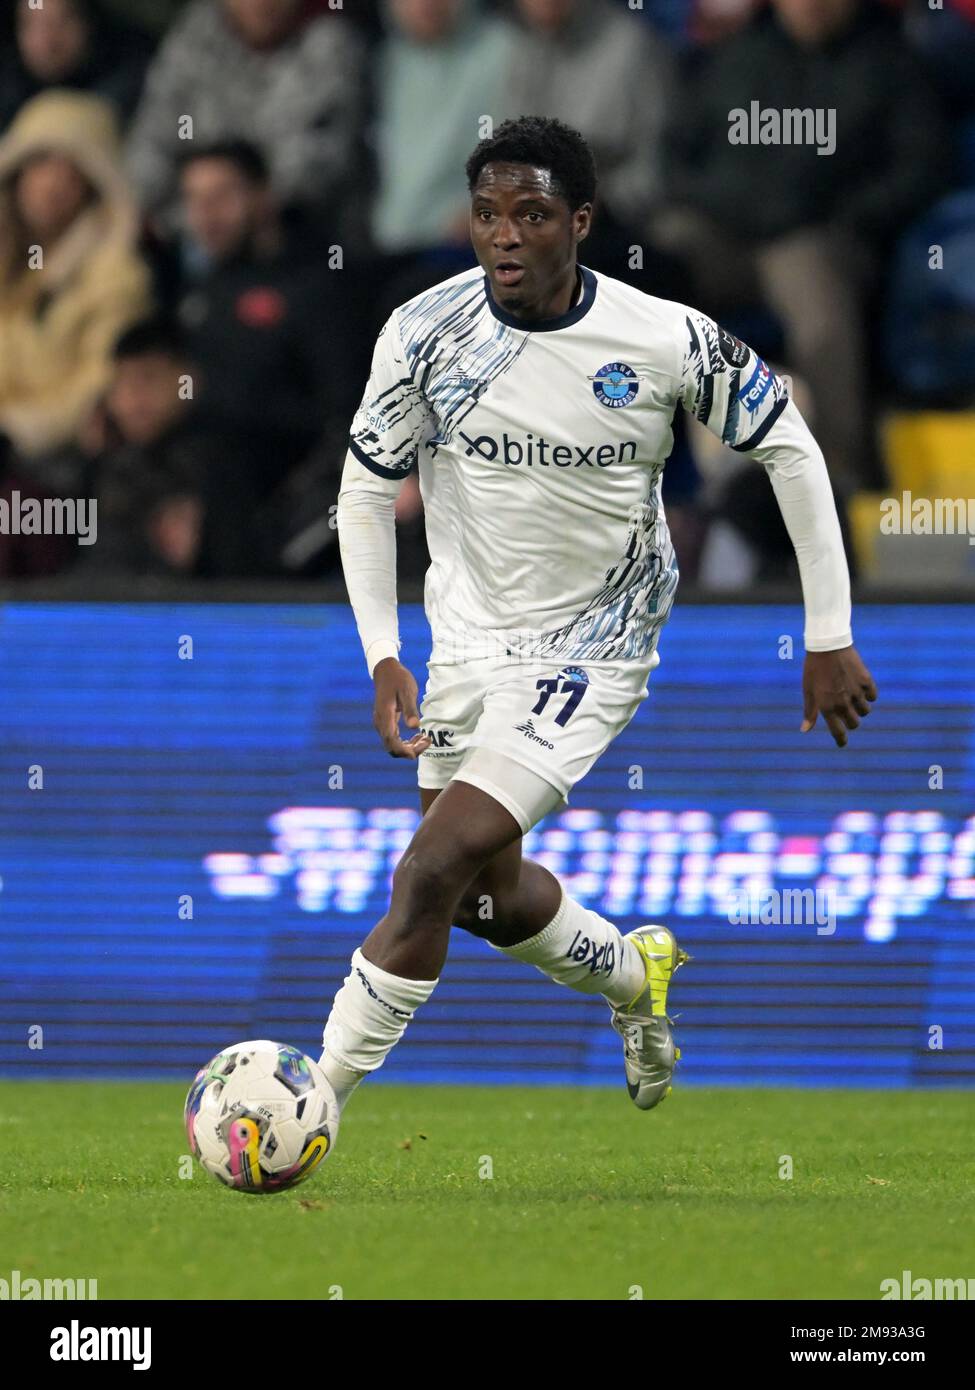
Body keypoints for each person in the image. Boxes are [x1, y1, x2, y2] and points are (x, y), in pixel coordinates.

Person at [320, 116, 877, 1120]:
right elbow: (365, 491)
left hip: (596, 644)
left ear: (579, 222)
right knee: (487, 900)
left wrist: (827, 631)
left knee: (432, 865)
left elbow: (792, 447)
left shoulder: (664, 338)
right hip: (466, 640)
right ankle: (631, 975)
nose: (504, 236)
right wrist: (382, 653)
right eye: (488, 214)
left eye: (531, 215)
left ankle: (311, 1100)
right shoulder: (423, 332)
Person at [658, 0, 948, 493]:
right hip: (722, 234)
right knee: (644, 264)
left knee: (821, 322)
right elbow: (675, 155)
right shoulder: (738, 57)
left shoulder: (890, 63)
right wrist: (722, 201)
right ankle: (639, 474)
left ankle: (840, 483)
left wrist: (850, 217)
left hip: (815, 237)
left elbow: (920, 167)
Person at [0, 91, 151, 460]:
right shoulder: (10, 262)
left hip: (51, 467)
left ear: (92, 185)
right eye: (41, 164)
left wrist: (13, 431)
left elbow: (100, 383)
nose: (52, 183)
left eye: (71, 170)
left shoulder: (117, 276)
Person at [126, 0, 364, 233]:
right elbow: (154, 136)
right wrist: (173, 213)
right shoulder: (196, 33)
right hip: (187, 232)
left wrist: (236, 210)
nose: (259, 4)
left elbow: (313, 166)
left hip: (296, 235)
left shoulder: (329, 42)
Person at [0, 0, 153, 134]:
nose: (47, 41)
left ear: (88, 23)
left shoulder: (130, 82)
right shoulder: (8, 89)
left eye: (62, 22)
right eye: (31, 24)